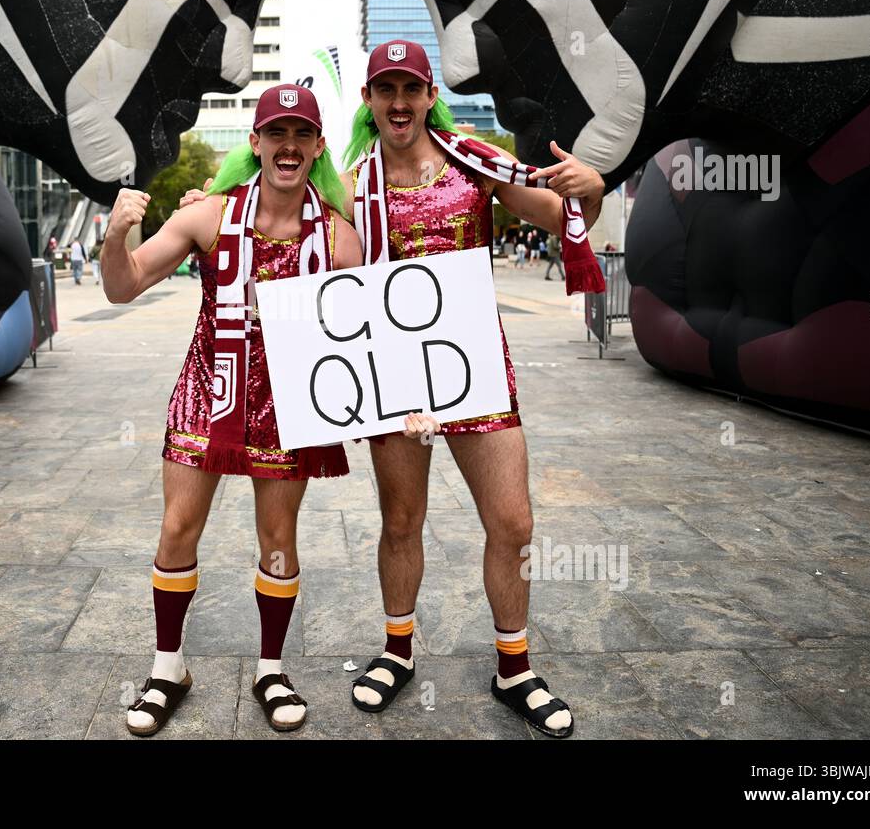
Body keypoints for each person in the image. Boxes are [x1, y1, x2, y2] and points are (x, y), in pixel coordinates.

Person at [338, 40, 605, 736]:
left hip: (476, 369)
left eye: (411, 89)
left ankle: (513, 666)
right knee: (401, 522)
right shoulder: (351, 184)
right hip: (395, 378)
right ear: (369, 102)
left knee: (513, 522)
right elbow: (304, 247)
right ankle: (398, 652)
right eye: (384, 89)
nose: (399, 102)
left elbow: (559, 217)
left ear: (431, 96)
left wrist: (590, 190)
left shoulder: (474, 163)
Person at [101, 85, 372, 737]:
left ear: (316, 147)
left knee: (278, 543)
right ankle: (168, 668)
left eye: (300, 134)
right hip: (207, 395)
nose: (287, 145)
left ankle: (270, 668)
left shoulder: (339, 240)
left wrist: (403, 405)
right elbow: (122, 285)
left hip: (287, 408)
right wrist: (116, 234)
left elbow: (357, 343)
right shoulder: (209, 217)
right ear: (254, 144)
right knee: (176, 530)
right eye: (275, 133)